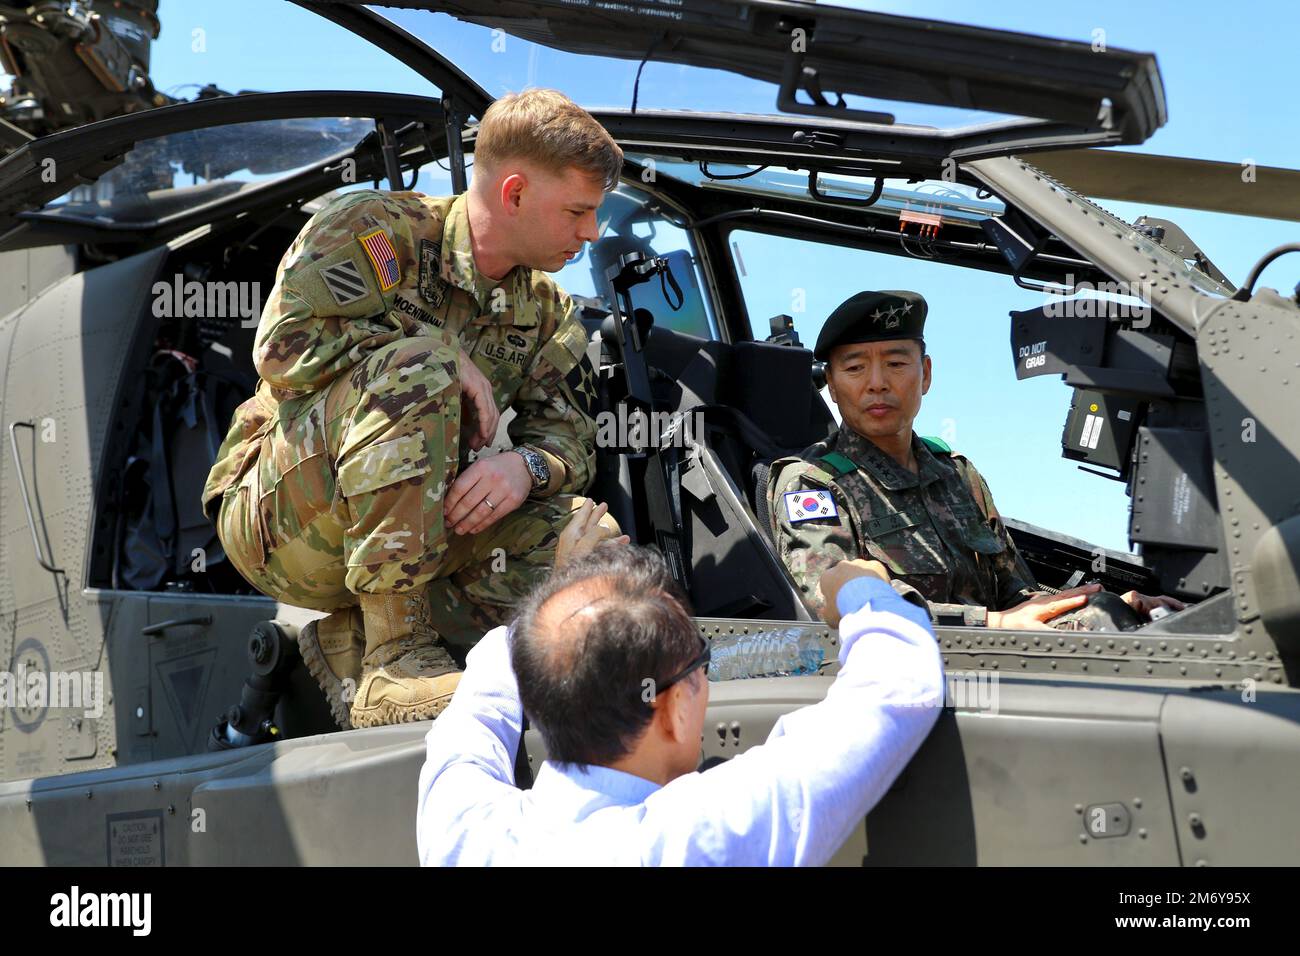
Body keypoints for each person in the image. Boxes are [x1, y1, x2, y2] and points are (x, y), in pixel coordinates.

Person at [202, 89, 622, 728]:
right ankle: (394, 664)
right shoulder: (375, 232)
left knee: (587, 539)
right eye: (577, 211)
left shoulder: (546, 310)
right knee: (417, 371)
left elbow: (570, 437)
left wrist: (527, 469)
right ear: (513, 194)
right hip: (283, 519)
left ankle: (360, 645)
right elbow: (283, 354)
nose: (590, 233)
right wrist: (439, 355)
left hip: (417, 529)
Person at [416, 501, 943, 866]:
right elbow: (894, 692)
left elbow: (476, 715)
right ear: (669, 707)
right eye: (701, 665)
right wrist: (860, 590)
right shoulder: (698, 839)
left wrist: (570, 589)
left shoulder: (464, 833)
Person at [767, 289, 1185, 631]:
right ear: (833, 388)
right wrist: (989, 623)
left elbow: (1015, 596)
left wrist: (1090, 604)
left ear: (925, 374)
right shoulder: (814, 483)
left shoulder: (955, 472)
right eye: (855, 368)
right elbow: (834, 602)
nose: (877, 384)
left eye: (896, 364)